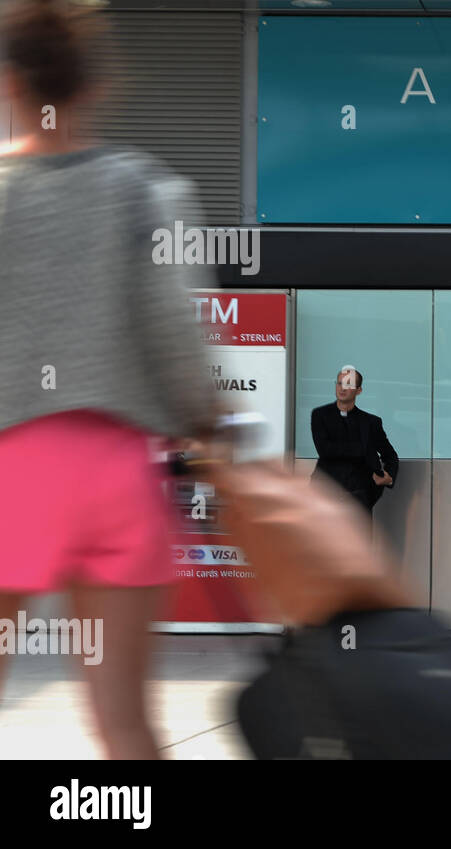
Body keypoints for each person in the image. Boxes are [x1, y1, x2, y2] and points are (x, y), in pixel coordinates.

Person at [0, 0, 217, 758]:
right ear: (95, 86)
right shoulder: (142, 192)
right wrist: (206, 415)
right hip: (115, 477)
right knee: (125, 725)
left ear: (8, 84)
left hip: (8, 474)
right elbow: (175, 333)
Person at [310, 366, 400, 516]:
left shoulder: (371, 422)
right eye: (339, 383)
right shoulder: (320, 415)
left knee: (357, 540)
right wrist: (364, 450)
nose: (342, 388)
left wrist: (387, 477)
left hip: (359, 497)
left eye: (348, 384)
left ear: (359, 390)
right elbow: (325, 450)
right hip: (324, 494)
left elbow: (390, 455)